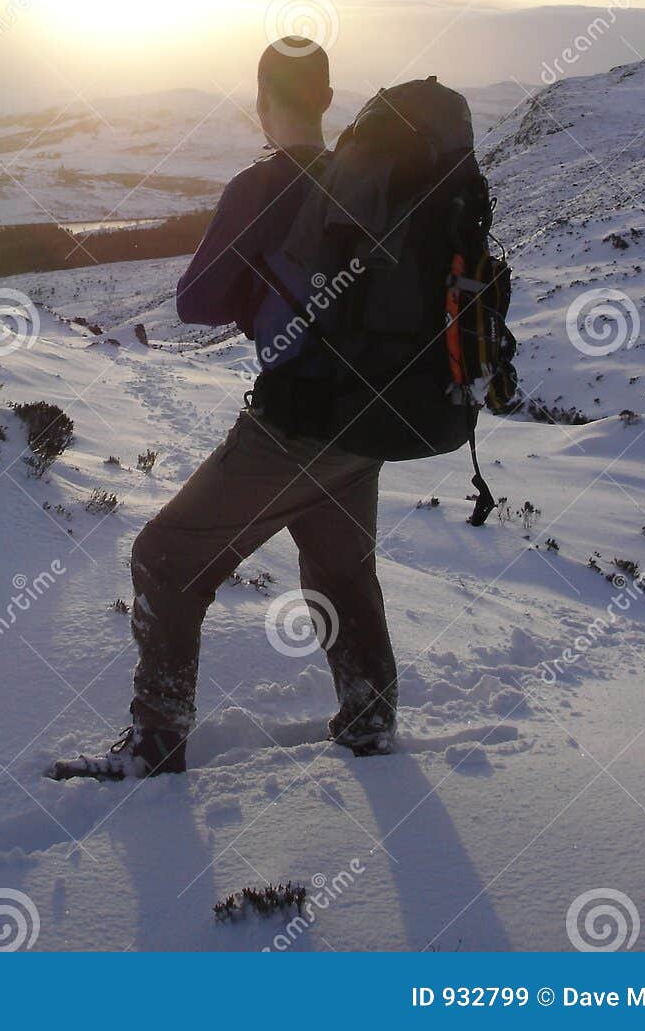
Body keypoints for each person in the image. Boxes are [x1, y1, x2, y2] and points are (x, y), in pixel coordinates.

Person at [48, 38, 397, 782]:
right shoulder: (367, 185)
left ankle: (156, 742)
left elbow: (194, 300)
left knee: (166, 560)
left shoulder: (259, 187)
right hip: (365, 425)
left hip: (293, 424)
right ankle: (371, 725)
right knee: (341, 574)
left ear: (264, 102)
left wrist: (258, 293)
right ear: (328, 100)